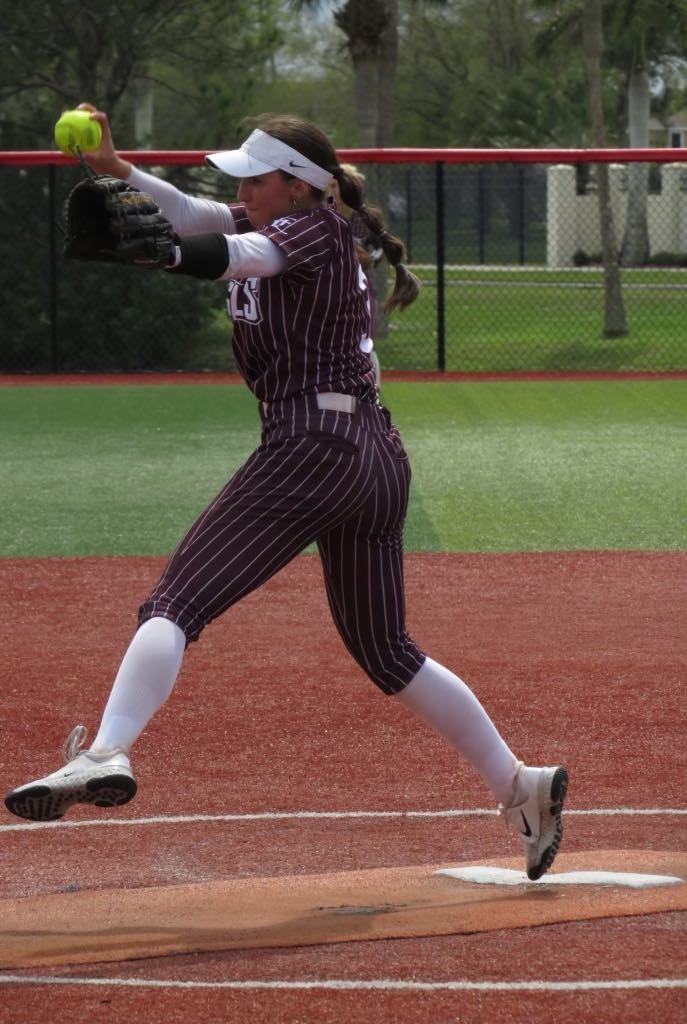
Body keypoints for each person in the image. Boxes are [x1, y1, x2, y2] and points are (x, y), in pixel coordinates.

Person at [4, 105, 568, 880]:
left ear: (298, 184)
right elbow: (203, 215)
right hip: (372, 457)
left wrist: (165, 256)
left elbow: (236, 253)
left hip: (313, 448)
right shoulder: (286, 216)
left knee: (175, 604)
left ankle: (105, 751)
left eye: (257, 175)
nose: (242, 184)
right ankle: (520, 785)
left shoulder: (309, 230)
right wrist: (117, 171)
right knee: (387, 651)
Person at [326, 162, 385, 385]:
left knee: (362, 341)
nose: (332, 190)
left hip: (359, 287)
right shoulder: (320, 218)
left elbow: (379, 251)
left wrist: (368, 259)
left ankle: (369, 386)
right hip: (329, 289)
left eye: (338, 185)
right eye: (330, 185)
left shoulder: (366, 218)